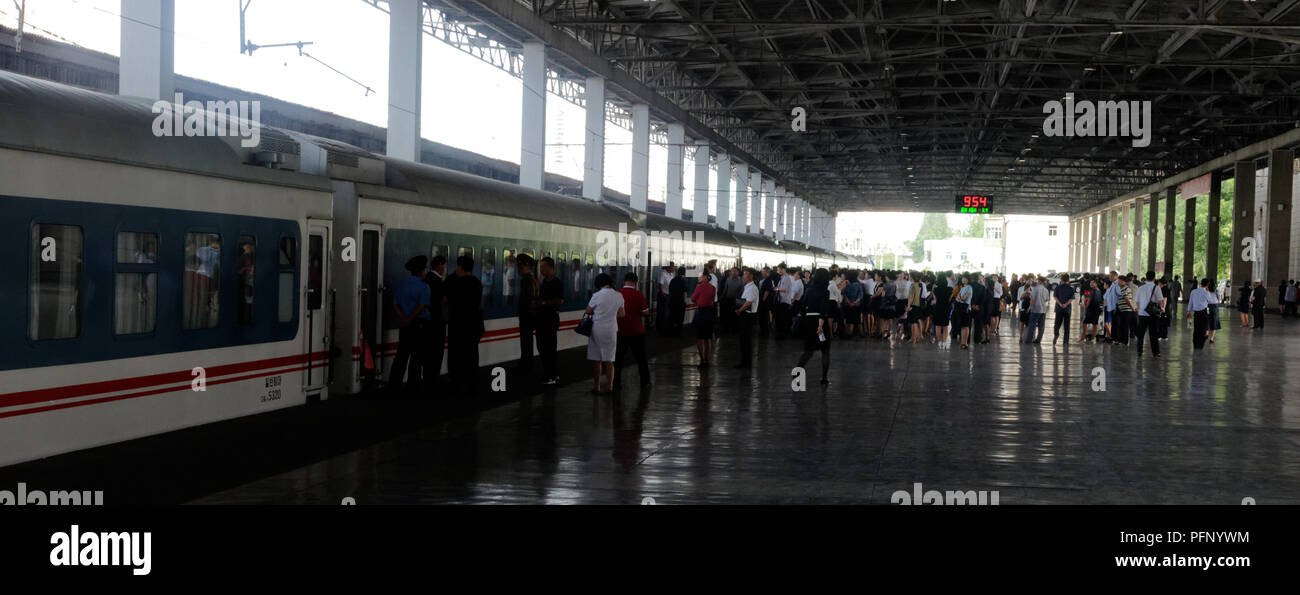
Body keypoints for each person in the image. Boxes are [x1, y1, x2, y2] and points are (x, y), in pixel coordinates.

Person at [389, 255, 431, 395]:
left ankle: (394, 385)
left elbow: (395, 304)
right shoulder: (424, 287)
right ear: (421, 271)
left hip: (405, 326)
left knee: (401, 356)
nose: (426, 272)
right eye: (425, 270)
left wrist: (403, 318)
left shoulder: (403, 285)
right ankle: (413, 387)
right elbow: (422, 306)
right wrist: (410, 318)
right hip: (419, 325)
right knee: (417, 357)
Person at [446, 255, 484, 397]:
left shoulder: (457, 284)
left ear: (460, 267)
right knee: (472, 354)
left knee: (457, 356)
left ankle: (457, 384)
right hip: (474, 325)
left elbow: (450, 302)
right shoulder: (477, 283)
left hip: (459, 326)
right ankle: (472, 383)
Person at [585, 273, 625, 394]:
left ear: (599, 283)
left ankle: (597, 387)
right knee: (609, 360)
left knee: (597, 360)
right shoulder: (619, 295)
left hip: (597, 329)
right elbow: (622, 314)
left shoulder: (596, 295)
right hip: (611, 330)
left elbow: (588, 310)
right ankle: (610, 386)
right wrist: (611, 315)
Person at [795, 269, 834, 384]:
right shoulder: (825, 292)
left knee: (808, 350)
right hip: (820, 325)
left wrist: (806, 320)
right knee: (825, 350)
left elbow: (802, 307)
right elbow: (823, 310)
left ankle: (797, 374)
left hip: (809, 322)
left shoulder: (809, 290)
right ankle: (824, 378)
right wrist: (820, 325)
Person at [614, 272, 650, 389]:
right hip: (636, 332)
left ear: (624, 281)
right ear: (635, 283)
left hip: (620, 331)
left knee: (618, 359)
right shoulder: (638, 294)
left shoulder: (617, 294)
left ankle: (616, 382)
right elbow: (645, 312)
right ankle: (645, 382)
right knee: (641, 358)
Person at [536, 257, 564, 385]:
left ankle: (550, 376)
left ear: (550, 267)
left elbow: (560, 301)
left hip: (550, 320)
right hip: (543, 320)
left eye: (543, 267)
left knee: (547, 348)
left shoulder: (556, 282)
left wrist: (543, 303)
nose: (541, 269)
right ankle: (553, 373)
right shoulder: (544, 281)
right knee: (546, 348)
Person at [424, 254, 448, 389]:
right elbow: (441, 301)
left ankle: (428, 376)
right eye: (444, 265)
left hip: (428, 320)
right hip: (437, 321)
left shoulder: (427, 278)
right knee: (437, 350)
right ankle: (434, 377)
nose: (444, 268)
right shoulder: (436, 281)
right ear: (439, 265)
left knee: (429, 350)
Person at [515, 254, 538, 374]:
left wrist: (525, 313)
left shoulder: (527, 280)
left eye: (521, 266)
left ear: (527, 266)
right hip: (528, 315)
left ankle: (526, 363)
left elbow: (528, 299)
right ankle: (526, 362)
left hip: (527, 315)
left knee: (526, 340)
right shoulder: (530, 279)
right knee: (526, 340)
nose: (519, 269)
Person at [690, 270, 718, 367]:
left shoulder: (699, 287)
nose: (698, 278)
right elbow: (712, 298)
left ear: (705, 277)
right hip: (710, 312)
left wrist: (699, 299)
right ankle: (707, 360)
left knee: (700, 338)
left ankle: (702, 360)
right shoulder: (713, 288)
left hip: (701, 313)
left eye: (700, 276)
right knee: (708, 338)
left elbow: (693, 298)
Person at [735, 268, 760, 370]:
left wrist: (739, 310)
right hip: (745, 315)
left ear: (750, 276)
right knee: (743, 340)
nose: (743, 276)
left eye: (745, 274)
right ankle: (744, 362)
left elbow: (748, 302)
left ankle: (747, 363)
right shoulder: (748, 287)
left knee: (746, 341)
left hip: (748, 316)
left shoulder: (752, 288)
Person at [1135, 271, 1164, 358]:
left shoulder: (1140, 288)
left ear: (1146, 277)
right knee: (1153, 334)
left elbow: (1137, 301)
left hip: (1142, 314)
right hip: (1153, 315)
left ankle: (1139, 352)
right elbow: (1160, 301)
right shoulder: (1157, 288)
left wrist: (1140, 309)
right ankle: (1156, 353)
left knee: (1140, 334)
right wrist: (1161, 307)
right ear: (1154, 278)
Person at [1186, 278, 1213, 349]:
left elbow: (1190, 303)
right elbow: (1210, 301)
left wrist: (1188, 311)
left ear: (1201, 283)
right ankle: (1201, 344)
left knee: (1196, 329)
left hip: (1196, 313)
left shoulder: (1193, 291)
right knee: (1204, 329)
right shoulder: (1207, 293)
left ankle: (1195, 345)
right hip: (1204, 313)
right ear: (1207, 285)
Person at [1052, 273, 1075, 344]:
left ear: (1061, 279)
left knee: (1057, 324)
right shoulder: (1071, 288)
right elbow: (1071, 298)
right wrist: (1066, 304)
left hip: (1059, 308)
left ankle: (1056, 334)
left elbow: (1055, 297)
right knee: (1066, 326)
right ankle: (1065, 341)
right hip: (1067, 309)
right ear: (1068, 279)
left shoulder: (1058, 287)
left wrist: (1060, 304)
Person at [1114, 275, 1135, 347]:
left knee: (1125, 326)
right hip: (1124, 310)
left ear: (1123, 281)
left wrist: (1133, 308)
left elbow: (1127, 300)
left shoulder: (1125, 288)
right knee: (1122, 325)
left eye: (1119, 281)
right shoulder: (1122, 288)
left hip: (1127, 310)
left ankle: (1125, 341)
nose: (1118, 282)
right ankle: (1121, 340)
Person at [721, 267, 744, 334]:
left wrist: (741, 300)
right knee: (727, 315)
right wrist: (722, 297)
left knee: (735, 316)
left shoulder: (741, 280)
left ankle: (735, 330)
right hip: (728, 299)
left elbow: (742, 290)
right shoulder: (728, 279)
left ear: (738, 272)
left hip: (736, 300)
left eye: (735, 271)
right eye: (732, 271)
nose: (733, 272)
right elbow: (725, 289)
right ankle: (727, 329)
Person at [841, 270, 863, 338]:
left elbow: (844, 294)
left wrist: (849, 302)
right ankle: (860, 334)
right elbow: (860, 295)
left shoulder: (846, 284)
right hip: (857, 305)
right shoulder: (859, 284)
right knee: (857, 320)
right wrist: (855, 302)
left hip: (848, 305)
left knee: (849, 320)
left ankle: (848, 334)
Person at [1080, 277, 1102, 343]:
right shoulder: (1099, 291)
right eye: (1090, 283)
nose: (1091, 284)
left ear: (1096, 283)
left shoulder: (1093, 291)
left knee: (1084, 323)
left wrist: (1086, 306)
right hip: (1097, 309)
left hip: (1091, 309)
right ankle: (1093, 338)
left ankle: (1083, 338)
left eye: (1092, 283)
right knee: (1095, 324)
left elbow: (1089, 300)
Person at [954, 275, 973, 349]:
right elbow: (957, 297)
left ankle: (965, 343)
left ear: (968, 280)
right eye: (962, 278)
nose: (963, 279)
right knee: (962, 326)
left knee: (965, 326)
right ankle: (962, 342)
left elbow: (963, 298)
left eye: (964, 278)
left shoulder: (969, 288)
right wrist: (959, 298)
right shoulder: (963, 288)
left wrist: (960, 298)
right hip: (961, 308)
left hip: (966, 308)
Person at [758, 267, 775, 337]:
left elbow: (767, 291)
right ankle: (764, 332)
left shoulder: (768, 280)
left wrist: (762, 300)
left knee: (764, 318)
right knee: (763, 318)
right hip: (765, 302)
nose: (762, 273)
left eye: (763, 272)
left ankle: (764, 333)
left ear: (766, 272)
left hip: (765, 302)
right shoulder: (766, 279)